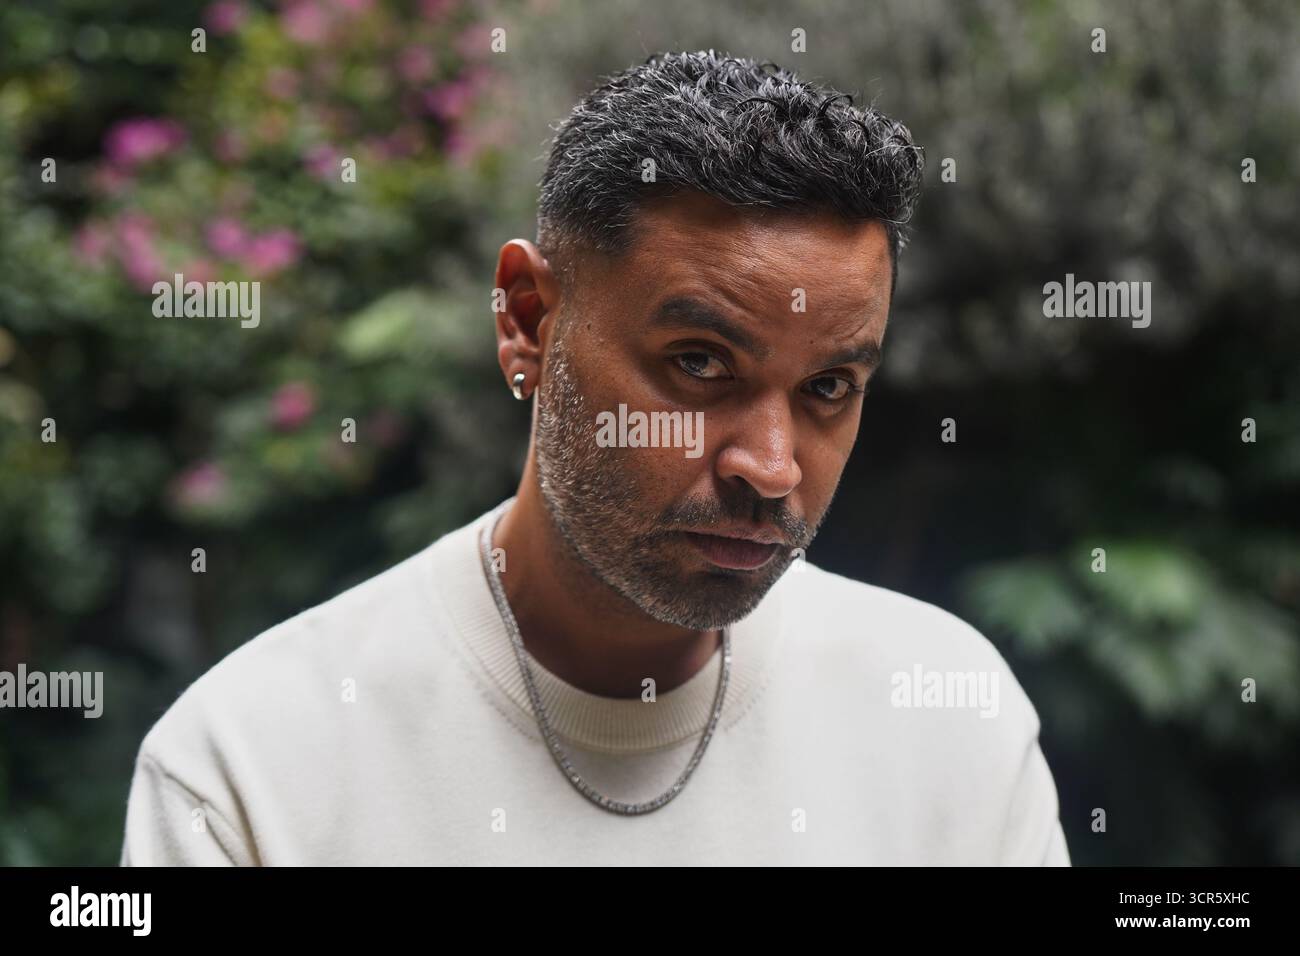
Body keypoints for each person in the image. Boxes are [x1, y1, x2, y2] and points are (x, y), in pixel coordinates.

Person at [122, 50, 1070, 865]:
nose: (772, 467)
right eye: (699, 365)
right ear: (530, 320)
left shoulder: (951, 722)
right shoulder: (248, 770)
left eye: (828, 387)